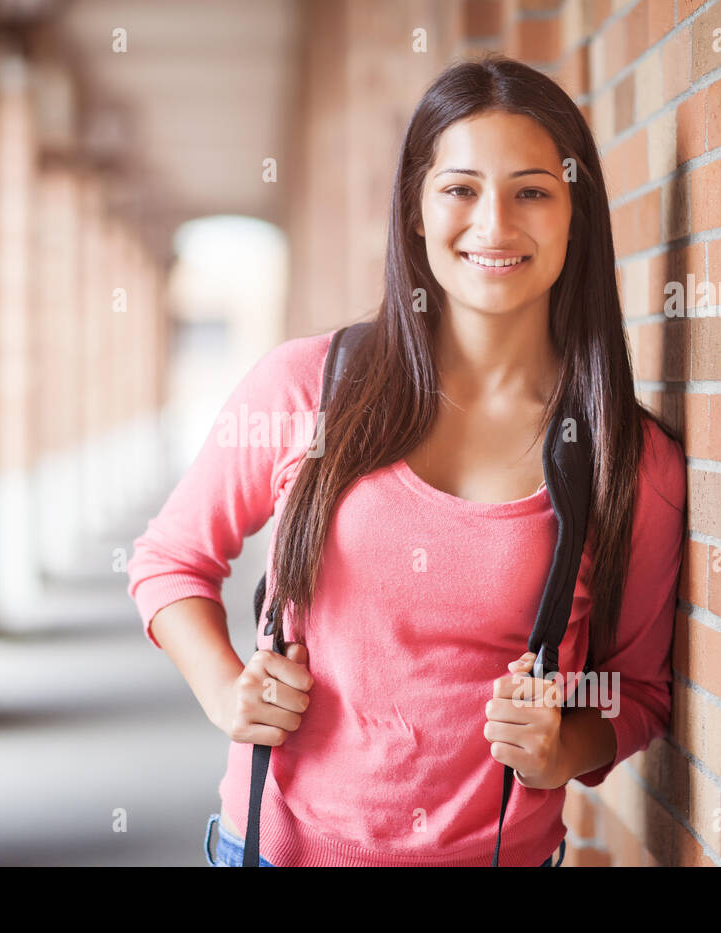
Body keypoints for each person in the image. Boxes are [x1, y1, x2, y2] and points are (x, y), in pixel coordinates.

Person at [126, 53, 687, 867]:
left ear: (576, 215)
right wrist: (225, 691)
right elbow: (169, 560)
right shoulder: (306, 387)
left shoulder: (629, 460)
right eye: (460, 189)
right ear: (417, 212)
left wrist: (563, 747)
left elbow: (637, 695)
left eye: (531, 191)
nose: (494, 224)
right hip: (274, 851)